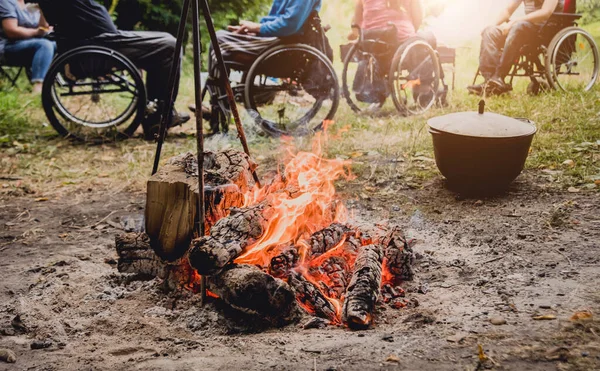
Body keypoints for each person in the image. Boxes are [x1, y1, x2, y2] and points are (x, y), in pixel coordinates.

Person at [36, 0, 189, 140]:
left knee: (165, 41)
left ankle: (157, 116)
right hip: (100, 43)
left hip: (102, 40)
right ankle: (159, 117)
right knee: (170, 46)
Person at [190, 0, 325, 122]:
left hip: (282, 44)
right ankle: (218, 109)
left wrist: (256, 28)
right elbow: (275, 21)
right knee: (219, 37)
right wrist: (252, 31)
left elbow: (289, 25)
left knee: (219, 43)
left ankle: (219, 112)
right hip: (275, 39)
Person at [468, 0, 564, 96]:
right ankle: (490, 82)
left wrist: (515, 21)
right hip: (525, 27)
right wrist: (493, 25)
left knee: (518, 27)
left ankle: (499, 76)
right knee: (489, 32)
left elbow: (545, 12)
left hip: (545, 31)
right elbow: (508, 11)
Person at [0, 0, 56, 93]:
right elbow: (11, 31)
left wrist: (42, 8)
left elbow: (43, 27)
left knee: (58, 44)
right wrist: (36, 32)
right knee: (44, 45)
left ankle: (71, 78)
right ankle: (38, 86)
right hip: (8, 47)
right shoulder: (6, 2)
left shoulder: (29, 4)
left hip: (32, 44)